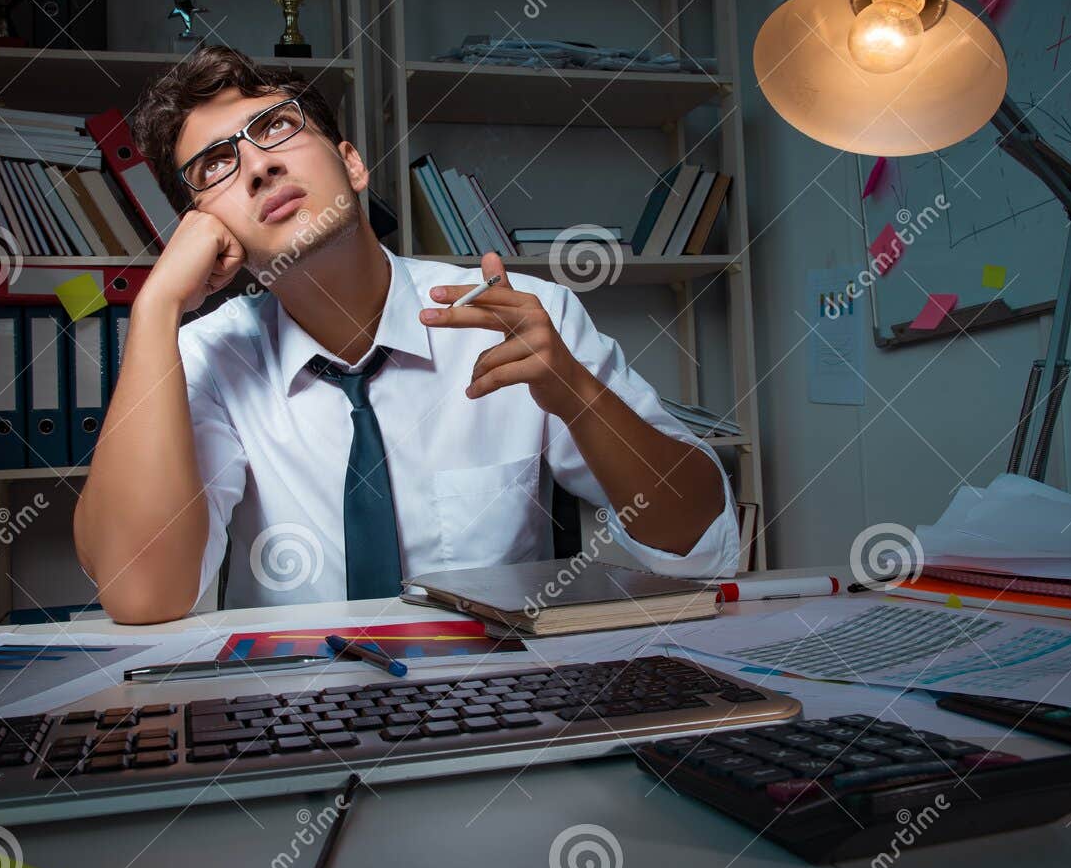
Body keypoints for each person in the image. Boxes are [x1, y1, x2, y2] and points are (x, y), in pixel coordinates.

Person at [73, 46, 737, 623]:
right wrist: (156, 307)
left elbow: (698, 539)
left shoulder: (522, 314)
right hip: (297, 720)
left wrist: (580, 398)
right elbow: (142, 596)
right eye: (215, 165)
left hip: (499, 713)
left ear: (352, 165)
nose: (257, 167)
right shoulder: (205, 357)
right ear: (199, 231)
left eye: (275, 127)